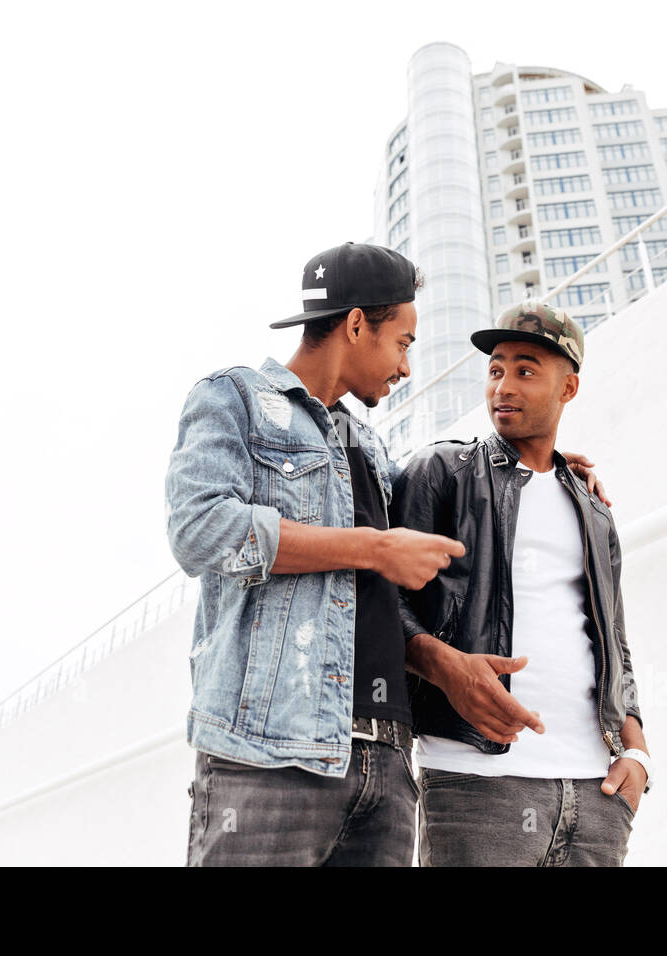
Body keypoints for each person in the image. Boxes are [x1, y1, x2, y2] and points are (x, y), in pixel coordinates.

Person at [165, 241, 463, 866]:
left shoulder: (370, 447)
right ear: (357, 325)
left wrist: (533, 464)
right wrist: (374, 548)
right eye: (403, 342)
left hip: (385, 763)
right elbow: (200, 529)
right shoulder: (235, 398)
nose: (406, 367)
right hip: (271, 758)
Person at [393, 300, 654, 867]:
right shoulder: (440, 474)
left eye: (526, 370)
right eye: (495, 369)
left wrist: (636, 753)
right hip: (477, 782)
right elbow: (380, 605)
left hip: (598, 792)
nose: (502, 386)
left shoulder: (593, 508)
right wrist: (446, 669)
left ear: (569, 388)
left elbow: (616, 642)